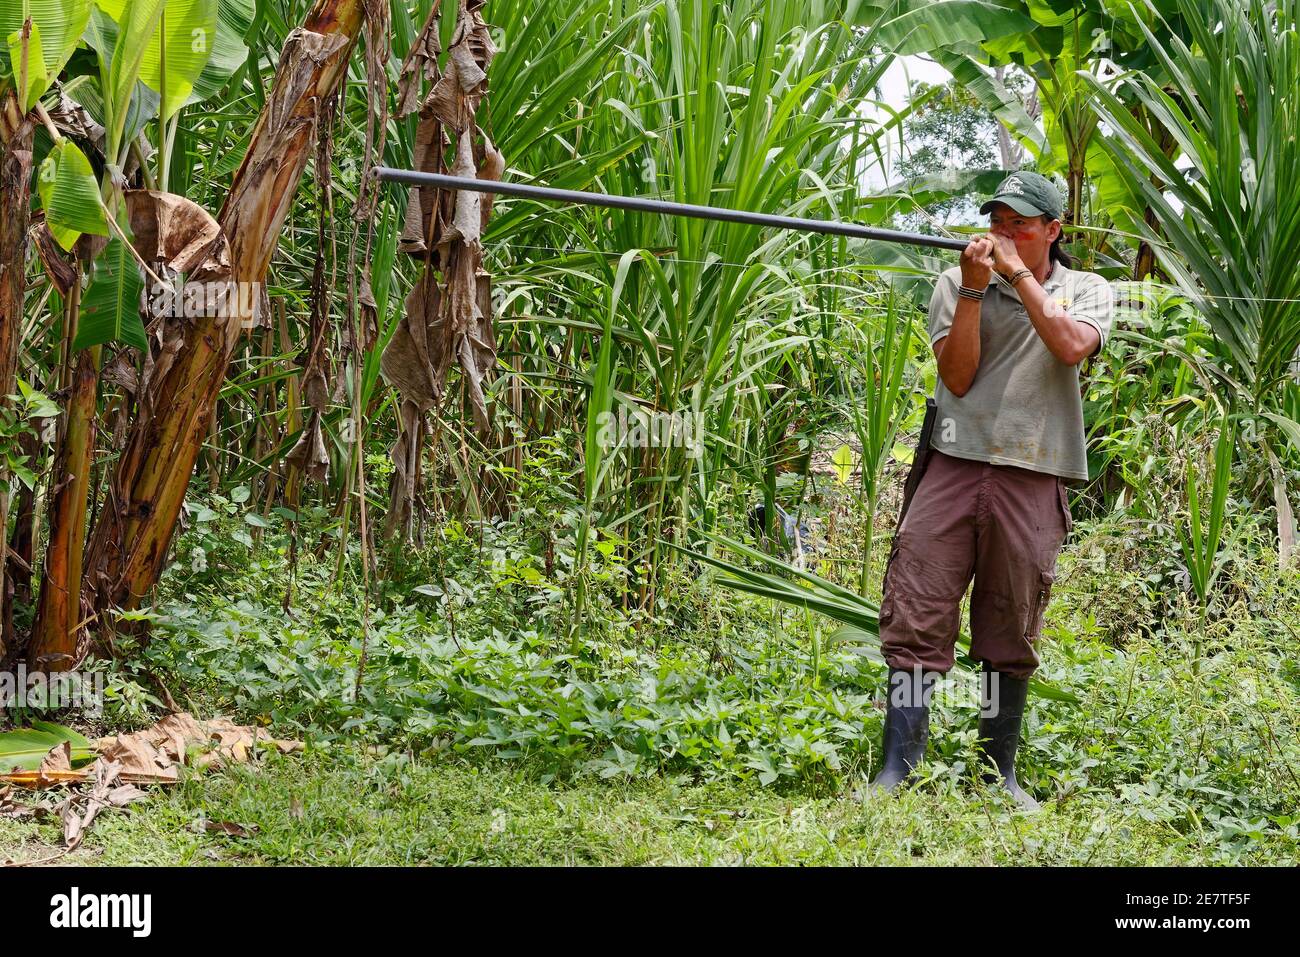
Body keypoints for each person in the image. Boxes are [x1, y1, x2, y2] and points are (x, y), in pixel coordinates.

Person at [867, 171, 1115, 811]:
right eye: (996, 222)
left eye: (1019, 225)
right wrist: (978, 292)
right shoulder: (956, 282)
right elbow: (956, 374)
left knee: (1011, 620)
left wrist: (1021, 279)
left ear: (1053, 231)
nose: (1002, 235)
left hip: (1034, 470)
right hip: (953, 463)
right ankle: (899, 767)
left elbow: (1068, 347)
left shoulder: (1085, 288)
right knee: (916, 608)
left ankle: (995, 771)